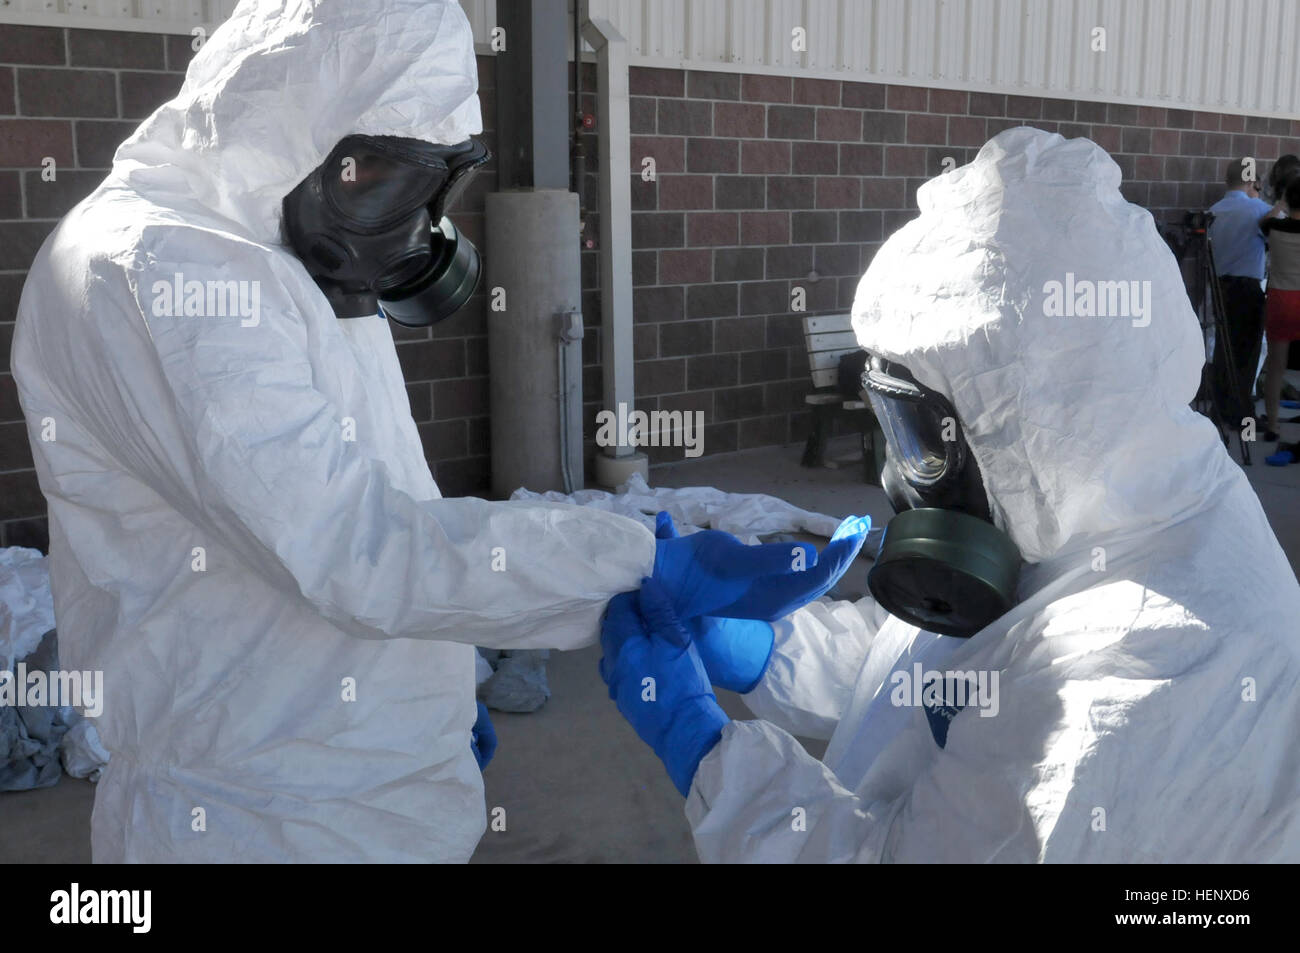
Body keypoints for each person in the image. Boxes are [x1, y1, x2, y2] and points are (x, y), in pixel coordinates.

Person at [9, 0, 846, 863]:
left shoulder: (281, 246)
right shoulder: (156, 267)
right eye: (382, 179)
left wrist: (427, 686)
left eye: (435, 184)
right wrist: (636, 561)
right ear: (294, 120)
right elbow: (350, 545)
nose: (414, 226)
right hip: (258, 817)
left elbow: (390, 499)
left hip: (369, 782)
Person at [601, 128, 1300, 862]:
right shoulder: (1094, 501)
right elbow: (932, 670)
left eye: (915, 435)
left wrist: (706, 751)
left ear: (1026, 419)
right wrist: (768, 650)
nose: (895, 476)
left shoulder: (1135, 686)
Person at [1207, 158, 1273, 429]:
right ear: (1250, 180)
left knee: (1224, 350)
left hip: (1220, 287)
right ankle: (1241, 414)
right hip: (1248, 288)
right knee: (1246, 354)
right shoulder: (1259, 210)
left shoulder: (1214, 210)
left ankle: (1220, 409)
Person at [1260, 174, 1300, 440]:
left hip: (1278, 298)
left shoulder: (1273, 226)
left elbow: (1262, 221)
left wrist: (1281, 203)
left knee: (1276, 365)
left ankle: (1272, 425)